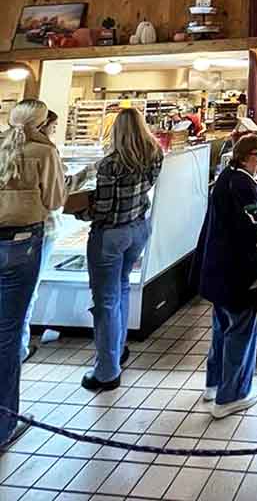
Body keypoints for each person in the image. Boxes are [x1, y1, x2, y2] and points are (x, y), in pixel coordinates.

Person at [0, 99, 66, 449]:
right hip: (22, 244)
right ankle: (3, 425)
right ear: (41, 123)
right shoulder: (44, 151)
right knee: (8, 334)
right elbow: (55, 200)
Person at [82, 108, 163, 391]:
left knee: (105, 302)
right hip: (138, 229)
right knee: (122, 288)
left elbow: (103, 209)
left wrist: (79, 211)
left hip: (110, 236)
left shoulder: (110, 165)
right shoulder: (155, 155)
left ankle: (106, 371)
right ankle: (118, 348)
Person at [194, 134, 257, 418]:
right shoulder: (243, 183)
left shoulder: (227, 177)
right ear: (246, 156)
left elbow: (244, 209)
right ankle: (232, 396)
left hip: (217, 270)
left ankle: (214, 384)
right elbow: (255, 226)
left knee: (222, 328)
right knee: (240, 330)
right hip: (237, 271)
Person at [21, 111, 94, 362]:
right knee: (27, 291)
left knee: (15, 291)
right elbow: (59, 193)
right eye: (53, 126)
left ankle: (15, 346)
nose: (54, 131)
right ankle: (19, 348)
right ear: (43, 125)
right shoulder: (46, 152)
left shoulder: (10, 148)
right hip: (42, 227)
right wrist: (89, 172)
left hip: (14, 229)